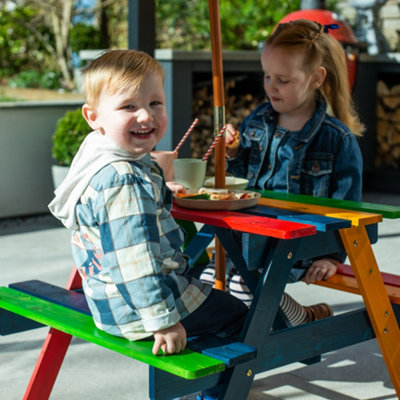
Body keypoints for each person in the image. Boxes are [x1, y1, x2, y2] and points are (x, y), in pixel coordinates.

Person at [48, 49, 248, 356]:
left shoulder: (99, 155)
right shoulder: (125, 181)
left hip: (108, 298)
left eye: (155, 102)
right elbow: (135, 263)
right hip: (140, 311)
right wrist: (163, 321)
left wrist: (159, 187)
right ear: (93, 117)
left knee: (201, 275)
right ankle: (215, 390)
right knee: (241, 317)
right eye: (128, 106)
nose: (145, 115)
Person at [201, 19, 364, 325]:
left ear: (316, 78)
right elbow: (241, 179)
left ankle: (295, 324)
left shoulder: (336, 139)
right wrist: (234, 151)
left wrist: (331, 257)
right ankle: (288, 321)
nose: (270, 87)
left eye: (283, 80)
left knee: (239, 284)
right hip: (249, 238)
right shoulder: (256, 122)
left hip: (298, 248)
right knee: (208, 278)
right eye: (266, 76)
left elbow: (348, 209)